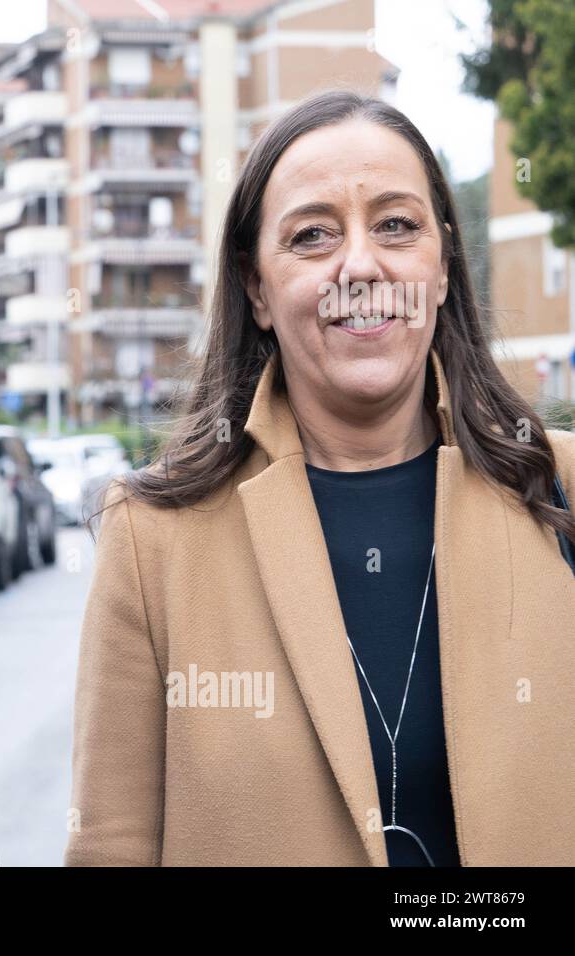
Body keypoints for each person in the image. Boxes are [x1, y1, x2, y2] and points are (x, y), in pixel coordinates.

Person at [65, 90, 575, 867]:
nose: (362, 265)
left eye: (397, 226)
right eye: (312, 235)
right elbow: (111, 847)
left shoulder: (562, 490)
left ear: (442, 267)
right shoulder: (151, 540)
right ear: (258, 288)